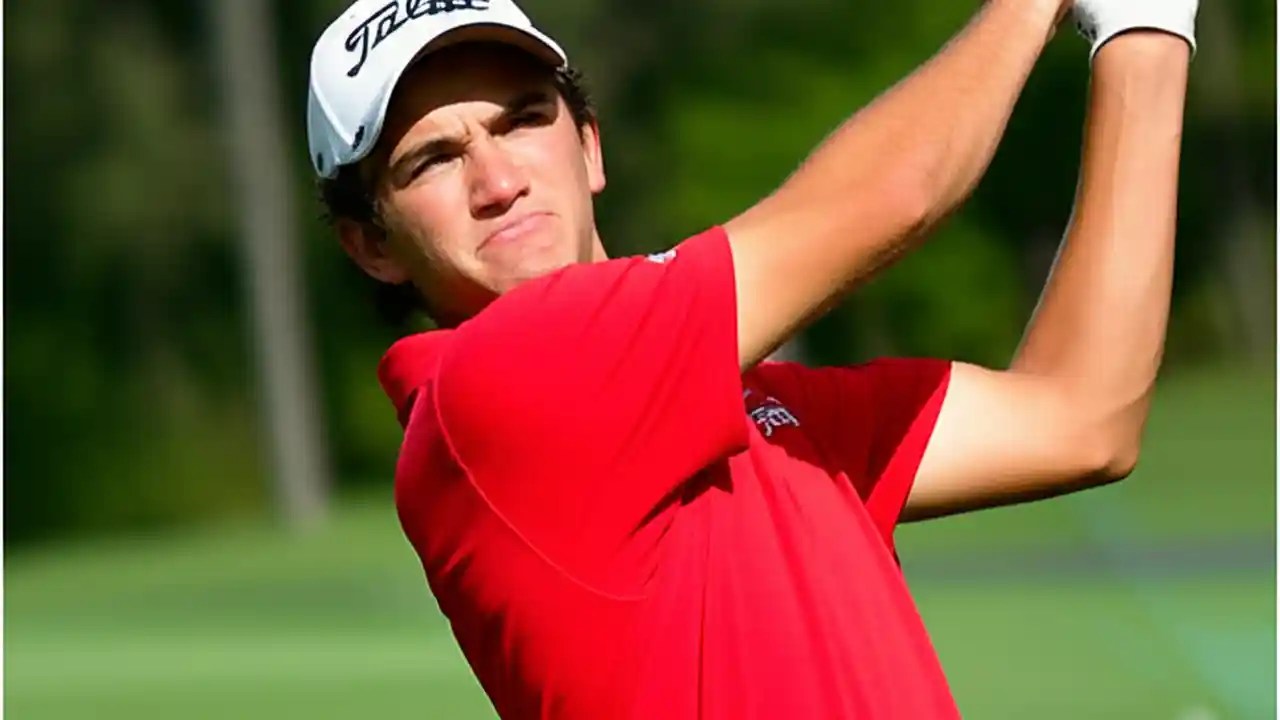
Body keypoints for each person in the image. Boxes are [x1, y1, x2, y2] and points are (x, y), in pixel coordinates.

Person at [306, 0, 1198, 716]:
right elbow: (899, 192)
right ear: (369, 245)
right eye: (432, 161)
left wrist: (1145, 32)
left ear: (588, 146)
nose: (498, 181)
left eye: (524, 120)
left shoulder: (751, 403)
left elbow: (1080, 419)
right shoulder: (488, 389)